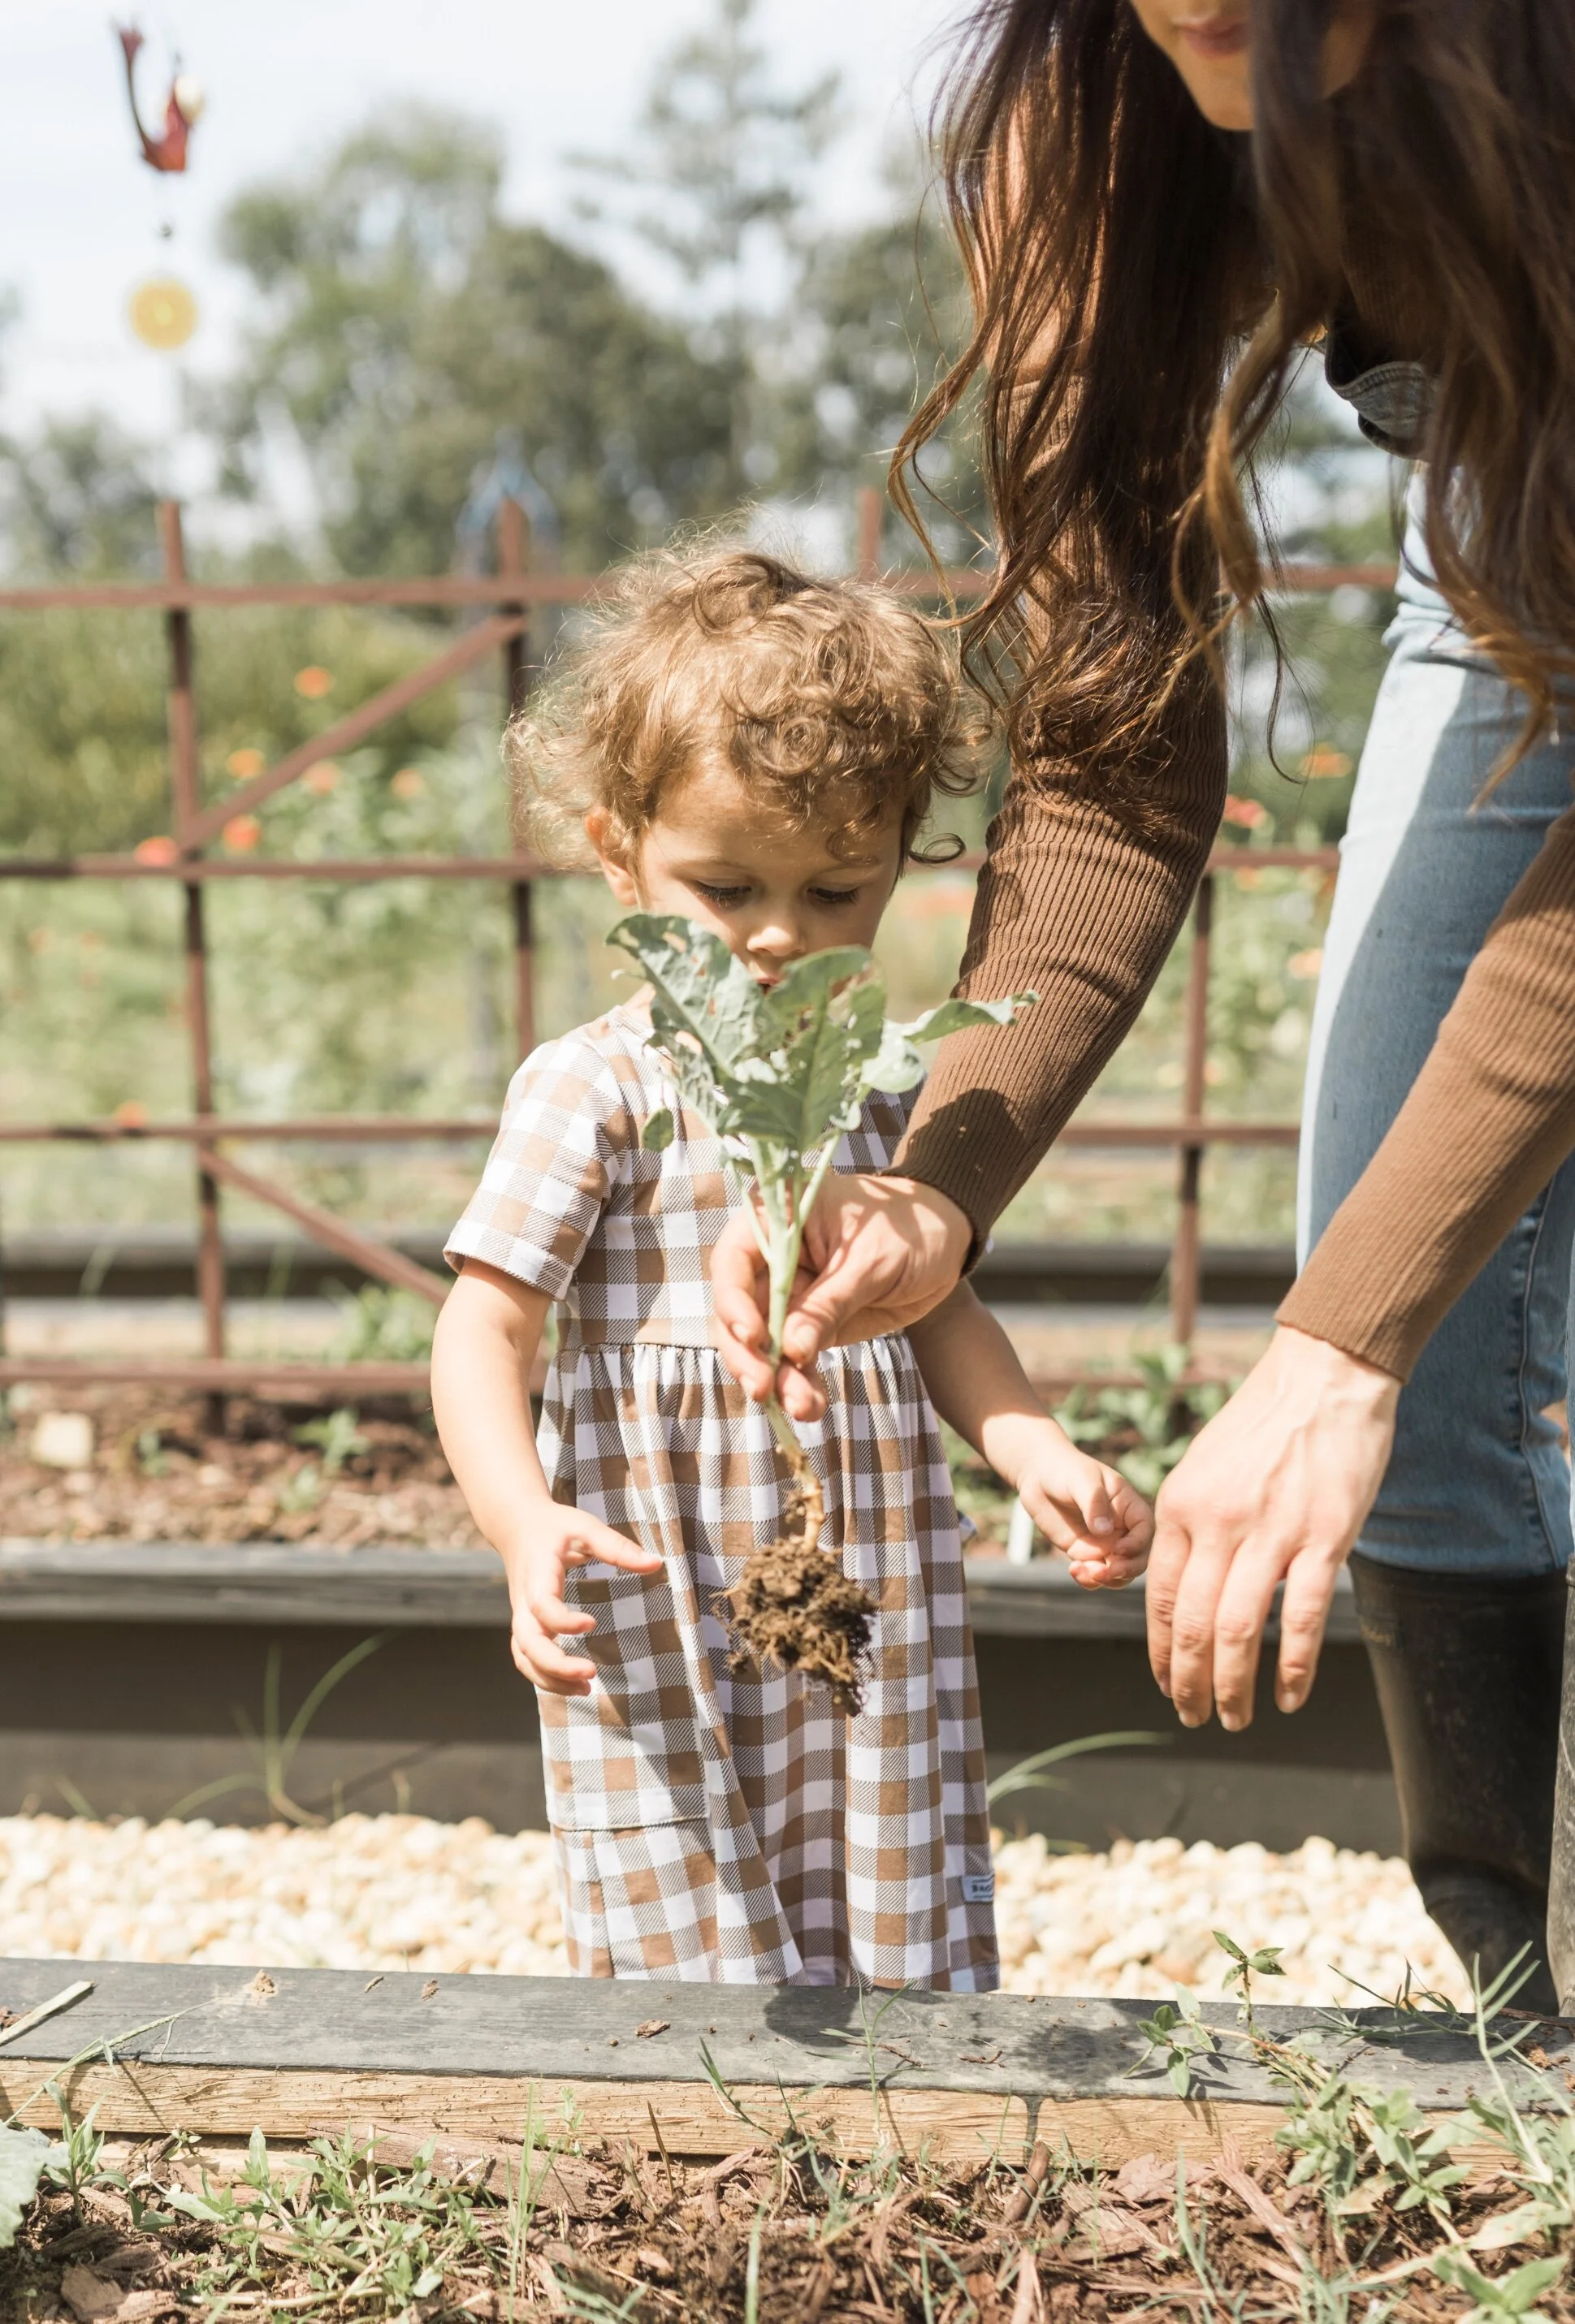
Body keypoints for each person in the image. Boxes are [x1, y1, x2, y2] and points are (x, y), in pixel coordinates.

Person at [711, 0, 1575, 2009]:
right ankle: (1539, 2033)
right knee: (1403, 1278)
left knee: (1371, 1323)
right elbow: (1112, 744)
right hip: (1512, 552)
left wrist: (1333, 1352)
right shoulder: (1083, 121)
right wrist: (940, 1187)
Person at [431, 546, 1152, 1987]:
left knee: (877, 1829)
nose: (778, 934)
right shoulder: (594, 1087)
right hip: (654, 1561)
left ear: (897, 860)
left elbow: (938, 1310)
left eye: (836, 890)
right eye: (725, 885)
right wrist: (521, 1524)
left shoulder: (881, 1100)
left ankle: (899, 2108)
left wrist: (1034, 1446)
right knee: (677, 1852)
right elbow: (484, 1331)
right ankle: (696, 2131)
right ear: (613, 848)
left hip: (861, 1551)